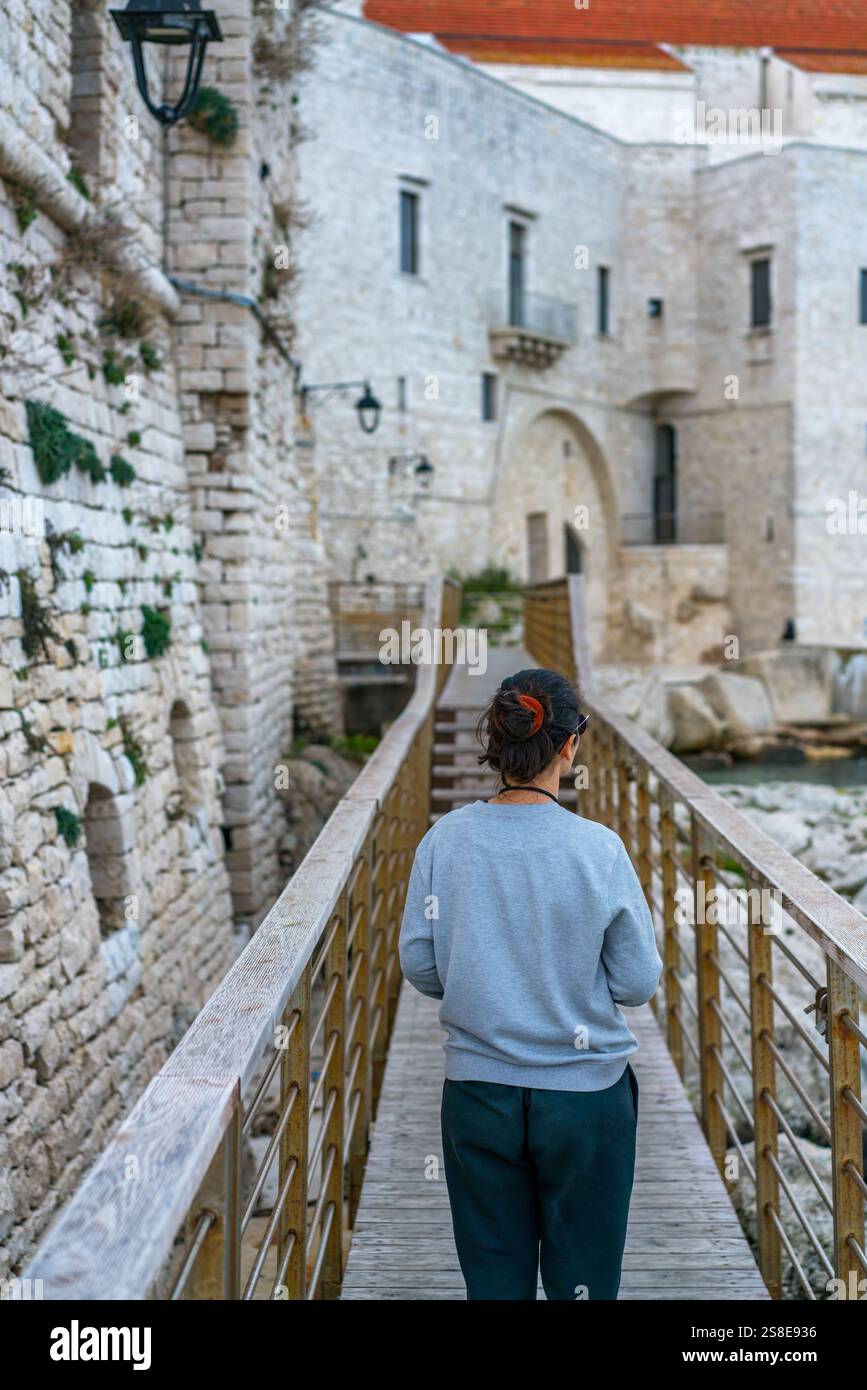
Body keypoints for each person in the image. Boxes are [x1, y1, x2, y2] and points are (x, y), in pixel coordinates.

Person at [399, 667, 663, 1300]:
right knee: (586, 1283)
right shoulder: (599, 849)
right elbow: (636, 982)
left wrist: (484, 978)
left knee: (493, 1282)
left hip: (478, 1093)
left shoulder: (444, 840)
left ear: (495, 738)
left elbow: (419, 965)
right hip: (585, 1098)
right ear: (572, 744)